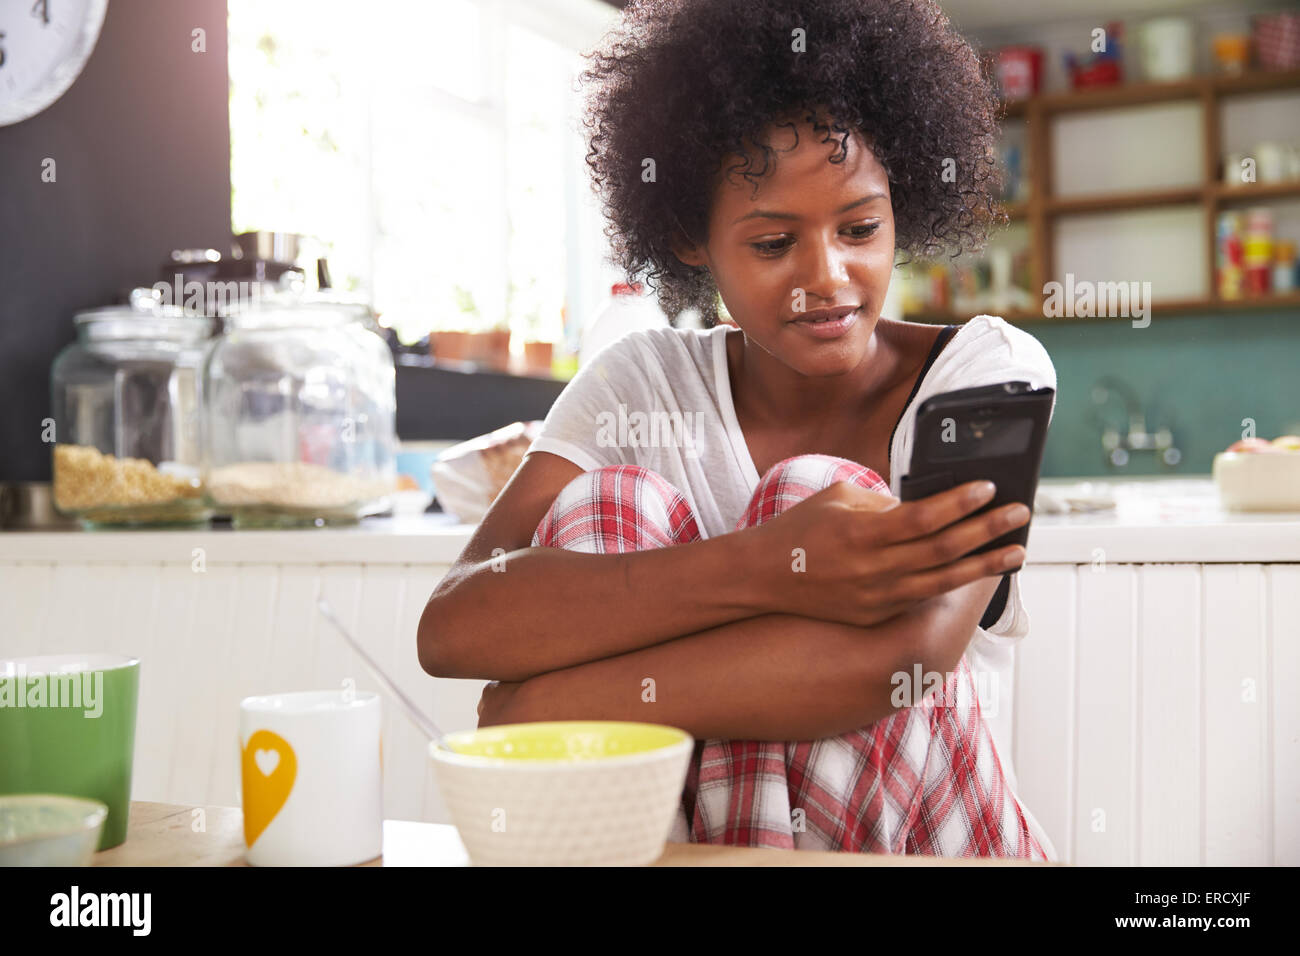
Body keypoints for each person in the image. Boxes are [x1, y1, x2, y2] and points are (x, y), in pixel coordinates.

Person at [418, 0, 1056, 859]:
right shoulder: (642, 380)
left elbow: (903, 661)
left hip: (929, 845)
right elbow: (456, 627)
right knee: (614, 505)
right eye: (771, 244)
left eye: (861, 229)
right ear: (691, 239)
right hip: (696, 843)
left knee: (810, 487)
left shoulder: (988, 374)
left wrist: (543, 705)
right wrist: (771, 565)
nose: (827, 278)